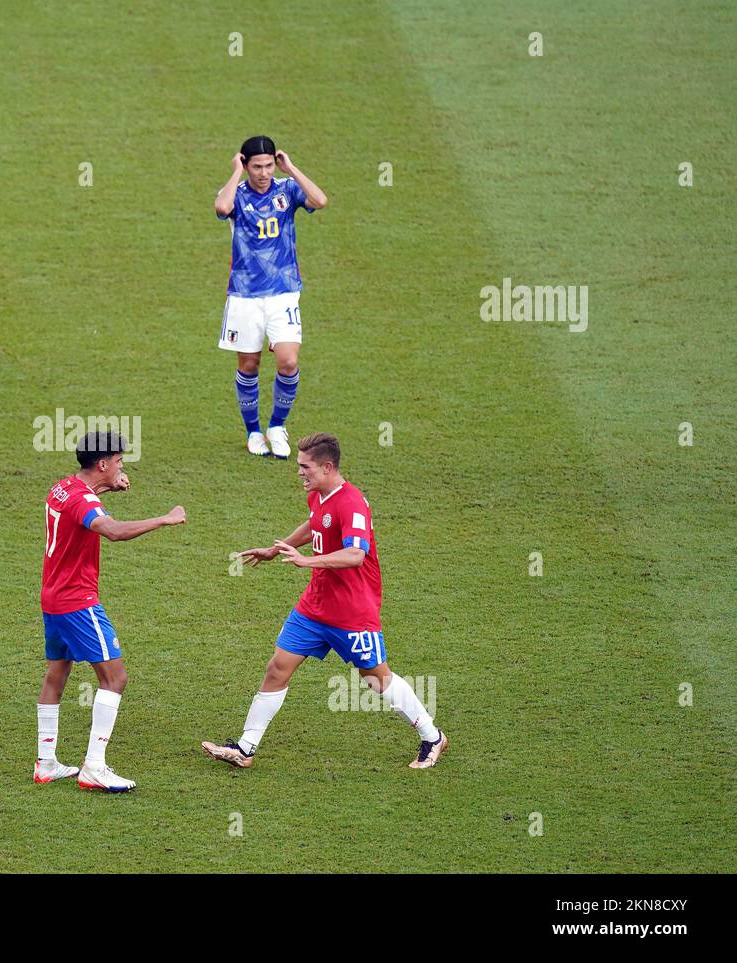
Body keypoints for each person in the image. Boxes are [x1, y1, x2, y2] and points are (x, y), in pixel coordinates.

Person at [201, 432, 447, 770]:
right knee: (277, 668)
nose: (299, 472)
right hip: (315, 607)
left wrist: (307, 561)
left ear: (327, 467)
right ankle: (245, 748)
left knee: (376, 678)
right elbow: (315, 524)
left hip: (352, 611)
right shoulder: (319, 495)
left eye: (306, 467)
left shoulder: (352, 503)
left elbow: (356, 554)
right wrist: (276, 548)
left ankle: (432, 737)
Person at [37, 431, 186, 792]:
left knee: (57, 674)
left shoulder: (63, 487)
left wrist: (107, 488)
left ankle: (46, 763)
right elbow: (113, 531)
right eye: (118, 461)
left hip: (52, 598)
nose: (122, 466)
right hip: (77, 603)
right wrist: (164, 520)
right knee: (115, 678)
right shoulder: (84, 502)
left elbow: (83, 504)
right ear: (102, 463)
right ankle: (94, 767)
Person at [214, 135, 327, 457]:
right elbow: (222, 208)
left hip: (283, 292)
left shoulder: (287, 190)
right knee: (249, 363)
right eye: (256, 166)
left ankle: (277, 425)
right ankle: (253, 431)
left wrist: (290, 168)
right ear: (246, 165)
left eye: (268, 166)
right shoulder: (235, 194)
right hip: (245, 295)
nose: (263, 173)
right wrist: (235, 172)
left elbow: (320, 200)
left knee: (288, 361)